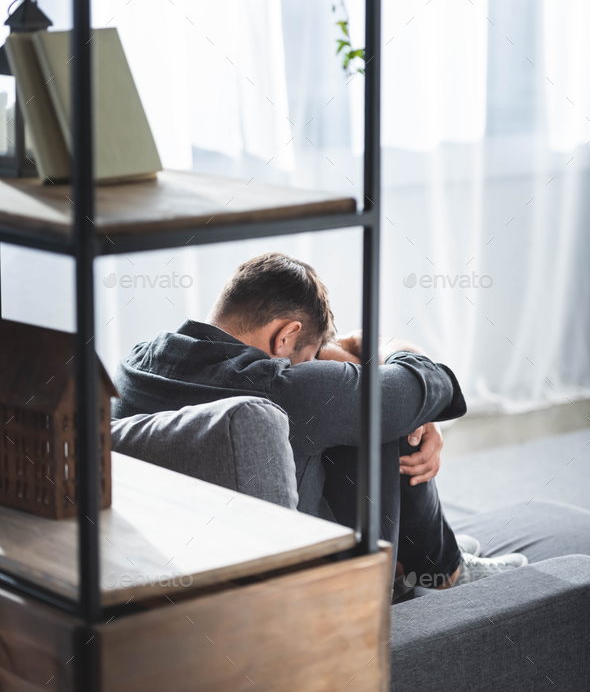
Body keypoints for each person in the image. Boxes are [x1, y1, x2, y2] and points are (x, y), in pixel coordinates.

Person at [112, 251, 527, 589]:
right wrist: (379, 344)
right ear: (285, 337)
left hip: (175, 561)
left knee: (364, 401)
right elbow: (431, 383)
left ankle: (416, 557)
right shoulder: (282, 391)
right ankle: (445, 569)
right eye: (306, 357)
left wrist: (328, 355)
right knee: (383, 413)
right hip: (318, 579)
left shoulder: (136, 365)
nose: (307, 368)